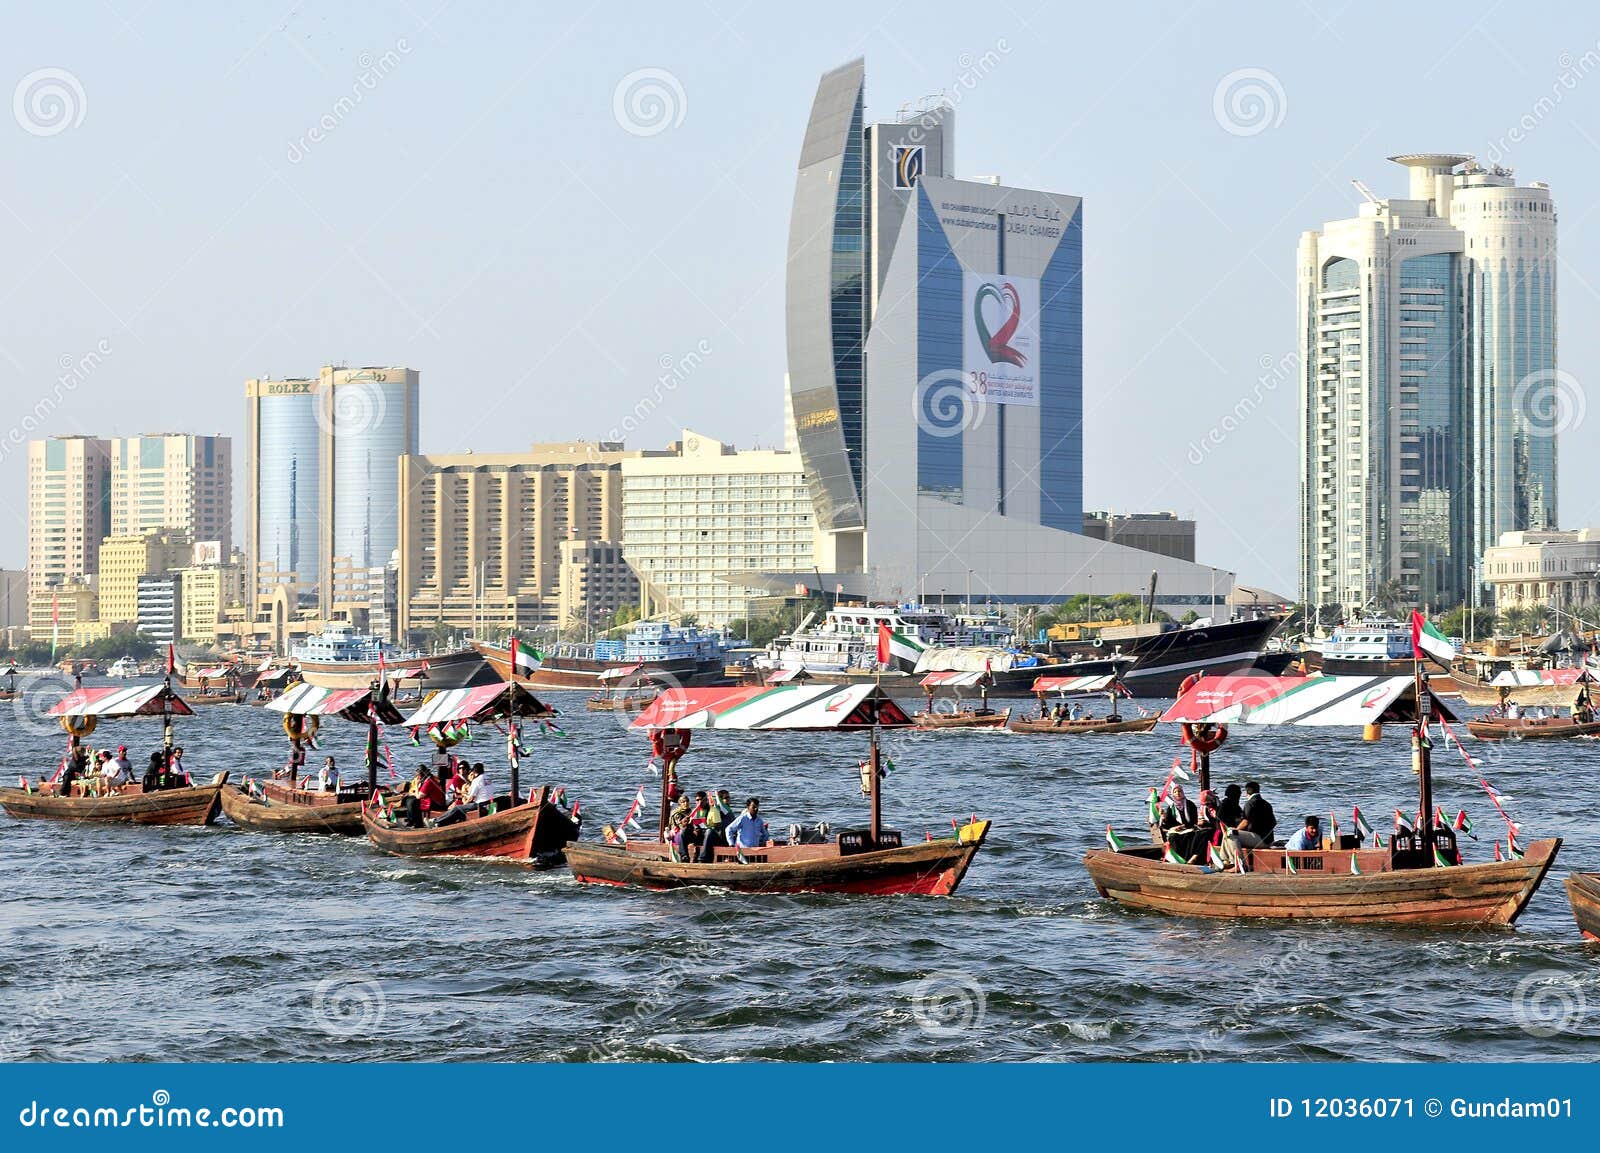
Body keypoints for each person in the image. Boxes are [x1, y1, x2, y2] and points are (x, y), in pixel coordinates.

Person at [1234, 781, 1277, 850]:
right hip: (1269, 841)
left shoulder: (1250, 803)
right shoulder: (1267, 804)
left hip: (1259, 840)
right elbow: (1274, 822)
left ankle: (1235, 855)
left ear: (1247, 792)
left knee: (1230, 834)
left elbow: (1245, 822)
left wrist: (1235, 830)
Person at [698, 788, 731, 862]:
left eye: (728, 797)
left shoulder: (728, 811)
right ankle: (702, 858)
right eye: (726, 798)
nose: (728, 799)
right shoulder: (717, 810)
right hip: (718, 837)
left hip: (725, 838)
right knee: (708, 831)